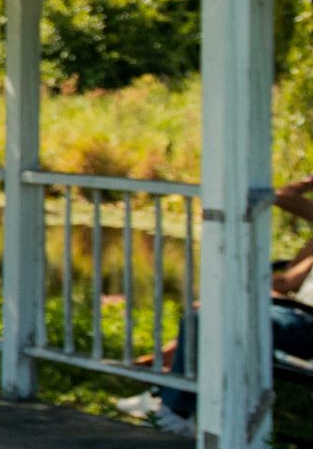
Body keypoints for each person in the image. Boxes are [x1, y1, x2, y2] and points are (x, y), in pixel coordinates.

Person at [121, 178, 313, 434]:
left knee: (216, 318)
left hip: (304, 323)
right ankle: (169, 398)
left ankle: (173, 406)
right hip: (288, 310)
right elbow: (288, 280)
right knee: (210, 313)